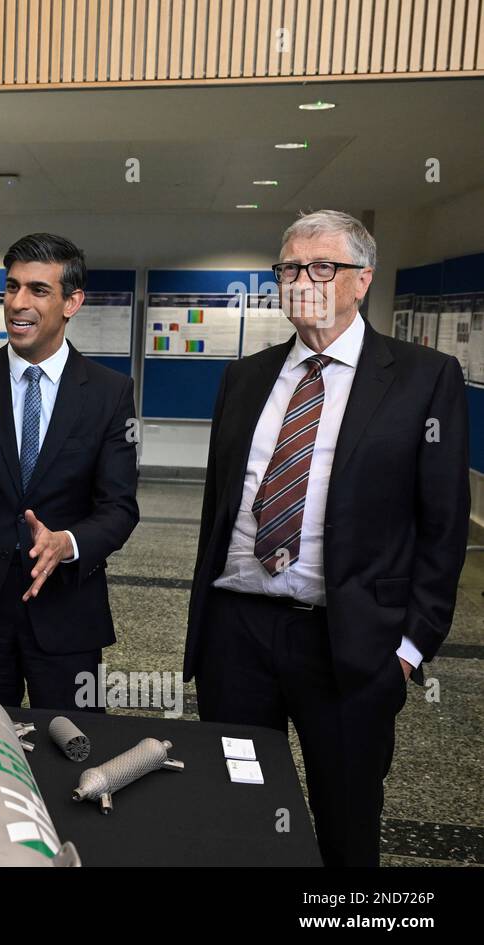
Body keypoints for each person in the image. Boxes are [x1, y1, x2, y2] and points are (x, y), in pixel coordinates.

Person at [184, 209, 470, 867]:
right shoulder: (245, 378)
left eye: (322, 267)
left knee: (346, 823)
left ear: (362, 279)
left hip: (348, 644)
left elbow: (443, 524)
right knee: (237, 816)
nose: (301, 281)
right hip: (236, 636)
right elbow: (220, 506)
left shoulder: (424, 379)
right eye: (288, 268)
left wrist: (407, 647)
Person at [0, 233, 139, 711]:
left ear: (72, 301)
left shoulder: (109, 393)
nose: (18, 303)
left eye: (38, 290)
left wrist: (67, 543)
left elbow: (118, 508)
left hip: (67, 608)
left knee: (74, 746)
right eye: (11, 287)